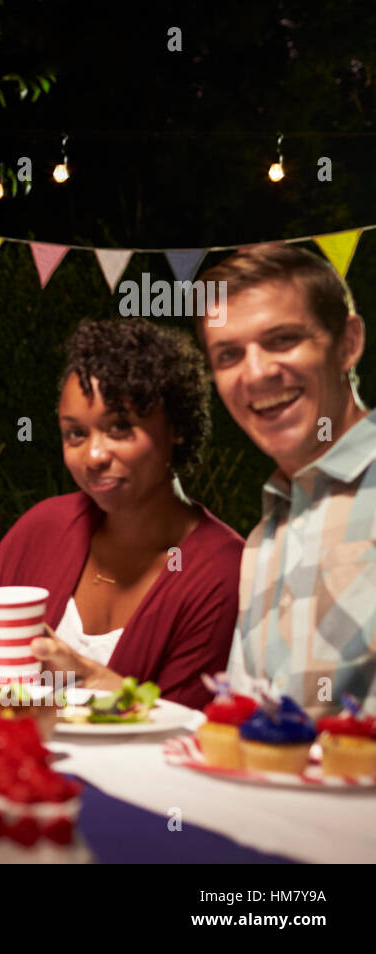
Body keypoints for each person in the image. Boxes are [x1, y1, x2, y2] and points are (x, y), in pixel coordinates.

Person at [0, 319, 245, 710]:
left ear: (177, 427)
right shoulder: (46, 526)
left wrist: (87, 677)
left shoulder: (220, 568)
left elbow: (192, 732)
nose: (95, 456)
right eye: (76, 434)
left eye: (119, 428)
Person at [198, 244, 374, 716]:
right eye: (230, 354)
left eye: (282, 340)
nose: (256, 373)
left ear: (348, 343)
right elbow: (257, 724)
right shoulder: (263, 539)